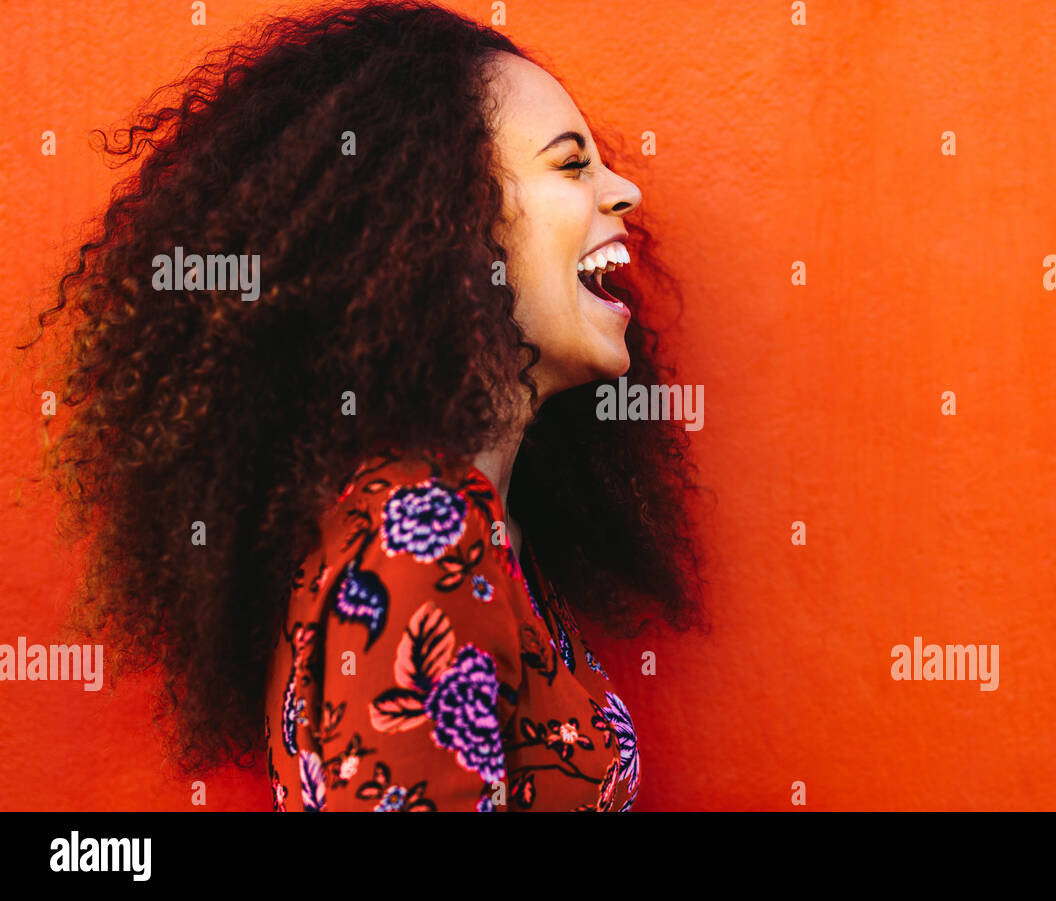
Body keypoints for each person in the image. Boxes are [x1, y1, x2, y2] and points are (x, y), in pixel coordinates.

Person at [22, 0, 707, 811]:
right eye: (571, 165)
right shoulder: (419, 536)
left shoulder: (444, 525)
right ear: (446, 225)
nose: (623, 189)